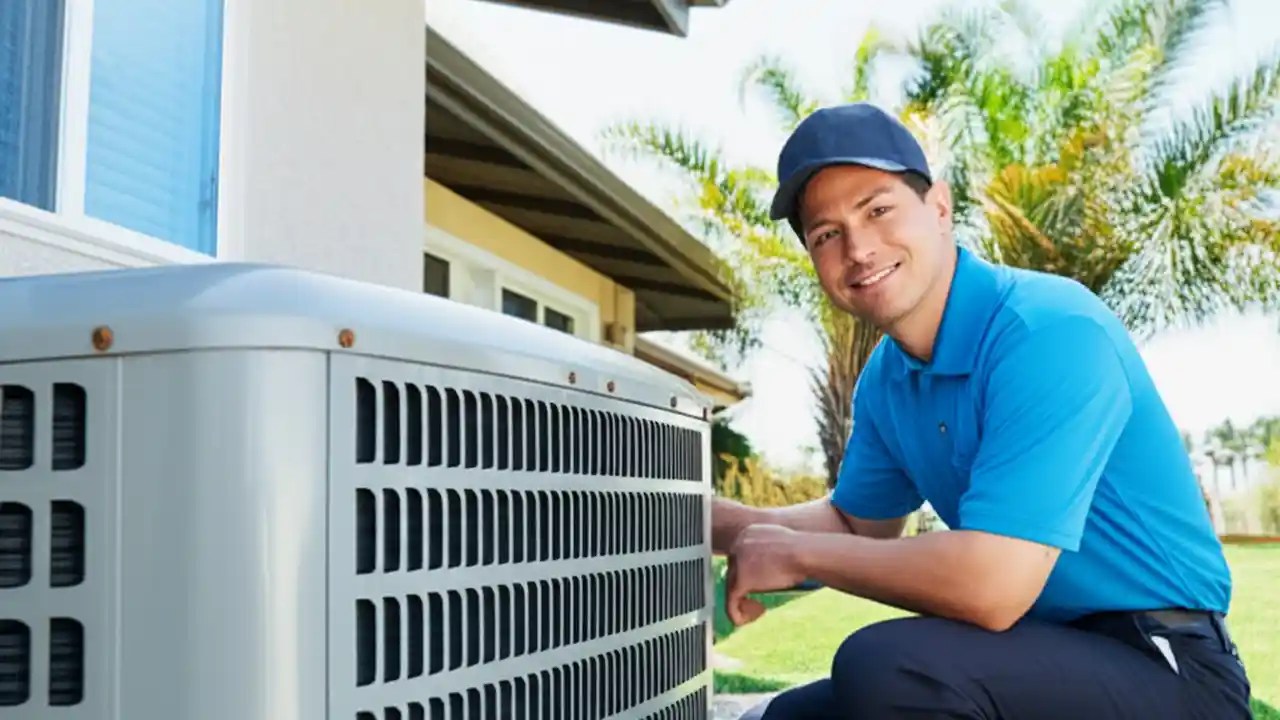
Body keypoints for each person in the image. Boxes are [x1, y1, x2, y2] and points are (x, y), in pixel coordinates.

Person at [714, 103, 1254, 719]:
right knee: (786, 719)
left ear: (940, 208)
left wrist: (797, 553)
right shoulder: (889, 380)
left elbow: (991, 586)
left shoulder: (1048, 329)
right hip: (1045, 651)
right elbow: (856, 527)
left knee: (884, 666)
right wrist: (703, 523)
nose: (858, 248)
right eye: (826, 234)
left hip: (1170, 667)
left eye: (878, 210)